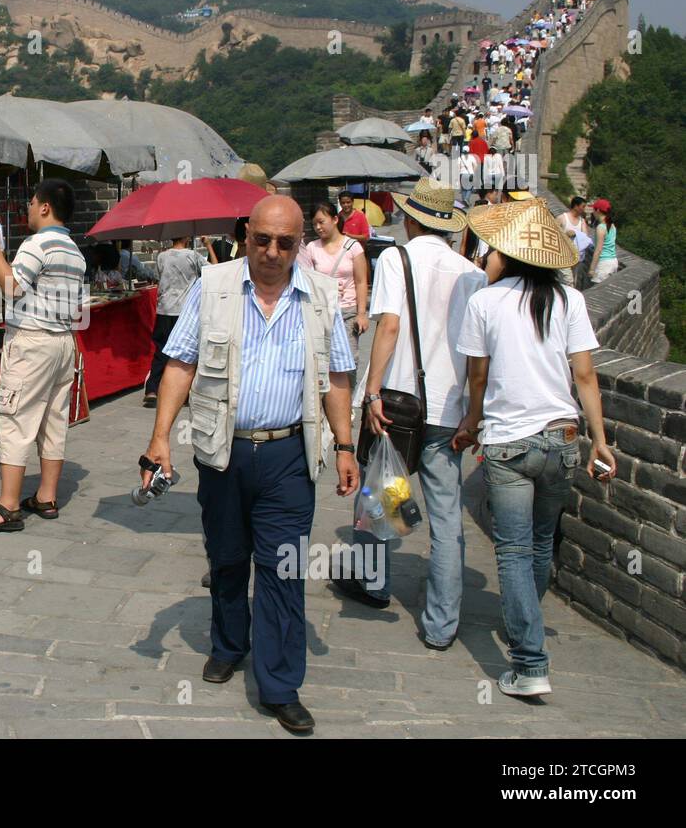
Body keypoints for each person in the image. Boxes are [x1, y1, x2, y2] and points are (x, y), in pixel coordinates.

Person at [143, 196, 358, 735]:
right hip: (223, 450)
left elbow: (336, 376)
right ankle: (229, 643)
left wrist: (346, 445)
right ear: (247, 234)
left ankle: (281, 684)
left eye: (286, 242)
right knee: (228, 555)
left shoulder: (321, 297)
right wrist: (160, 437)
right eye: (262, 239)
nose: (272, 252)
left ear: (300, 241)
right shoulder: (213, 287)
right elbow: (181, 362)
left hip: (289, 453)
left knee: (284, 568)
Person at [452, 198, 614, 697]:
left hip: (508, 443)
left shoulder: (486, 301)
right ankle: (526, 627)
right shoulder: (570, 300)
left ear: (509, 254)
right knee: (541, 543)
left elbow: (477, 379)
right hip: (563, 439)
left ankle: (529, 663)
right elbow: (584, 376)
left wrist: (471, 424)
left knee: (514, 550)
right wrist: (600, 442)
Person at [332, 178, 487, 653]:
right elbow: (478, 356)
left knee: (385, 496)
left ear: (412, 218)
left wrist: (372, 389)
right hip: (449, 410)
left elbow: (390, 326)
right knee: (446, 519)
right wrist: (474, 415)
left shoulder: (398, 260)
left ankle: (375, 586)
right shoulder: (471, 273)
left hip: (398, 407)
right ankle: (442, 624)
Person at [0, 179, 86, 532]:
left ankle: (7, 505)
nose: (29, 209)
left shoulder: (37, 244)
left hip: (32, 342)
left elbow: (12, 286)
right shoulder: (74, 250)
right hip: (63, 342)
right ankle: (46, 497)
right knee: (53, 420)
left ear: (45, 207)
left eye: (32, 203)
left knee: (14, 417)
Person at [297, 202, 368, 374]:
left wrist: (361, 313)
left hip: (347, 311)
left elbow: (361, 281)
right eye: (314, 224)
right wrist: (327, 287)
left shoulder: (353, 247)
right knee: (323, 362)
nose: (318, 227)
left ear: (335, 219)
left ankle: (347, 397)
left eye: (321, 222)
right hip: (322, 312)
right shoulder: (312, 248)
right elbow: (307, 278)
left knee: (348, 361)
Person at [143, 237, 206, 408]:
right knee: (185, 353)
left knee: (161, 350)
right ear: (186, 237)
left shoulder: (162, 257)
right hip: (185, 311)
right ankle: (184, 393)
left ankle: (152, 390)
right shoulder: (194, 256)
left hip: (164, 309)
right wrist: (208, 246)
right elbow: (211, 272)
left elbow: (157, 277)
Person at [588, 198, 618, 283]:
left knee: (598, 290)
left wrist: (592, 269)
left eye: (593, 209)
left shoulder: (601, 228)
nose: (592, 212)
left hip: (603, 263)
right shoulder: (612, 225)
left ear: (598, 210)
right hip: (613, 261)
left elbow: (598, 249)